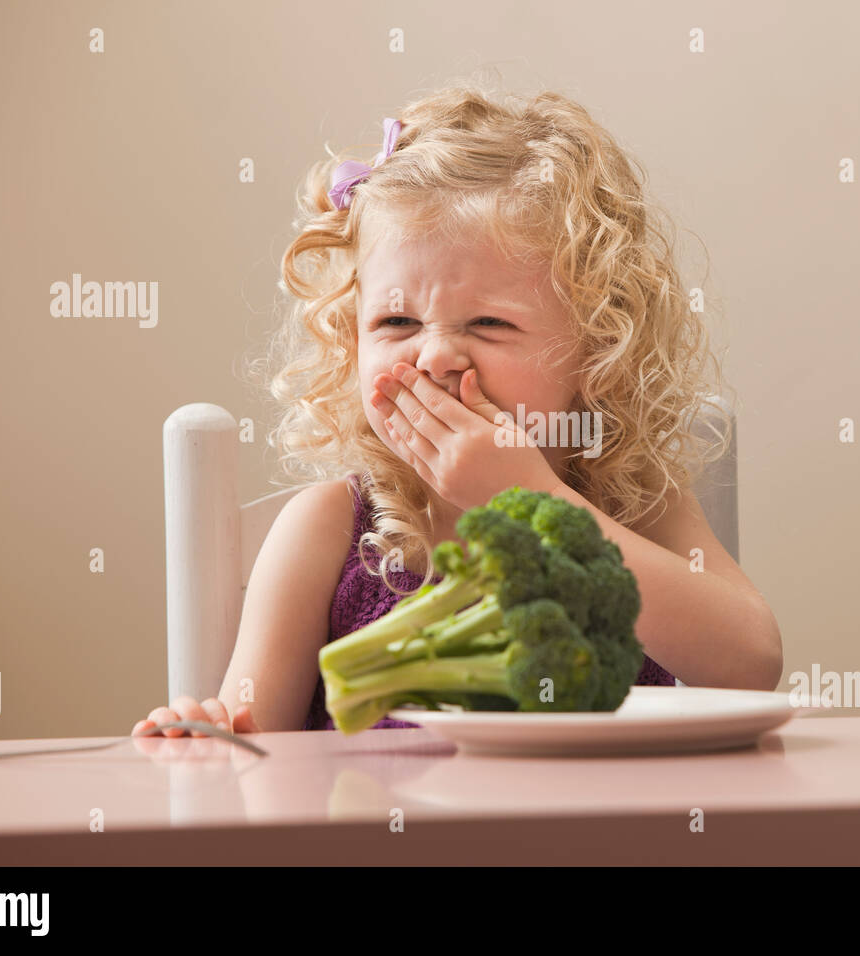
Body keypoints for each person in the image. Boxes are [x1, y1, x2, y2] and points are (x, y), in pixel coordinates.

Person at [133, 78, 781, 738]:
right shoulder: (329, 529)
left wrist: (531, 499)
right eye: (396, 320)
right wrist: (209, 728)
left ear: (596, 348)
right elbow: (250, 731)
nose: (436, 356)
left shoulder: (638, 505)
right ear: (348, 333)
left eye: (489, 322)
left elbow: (751, 664)